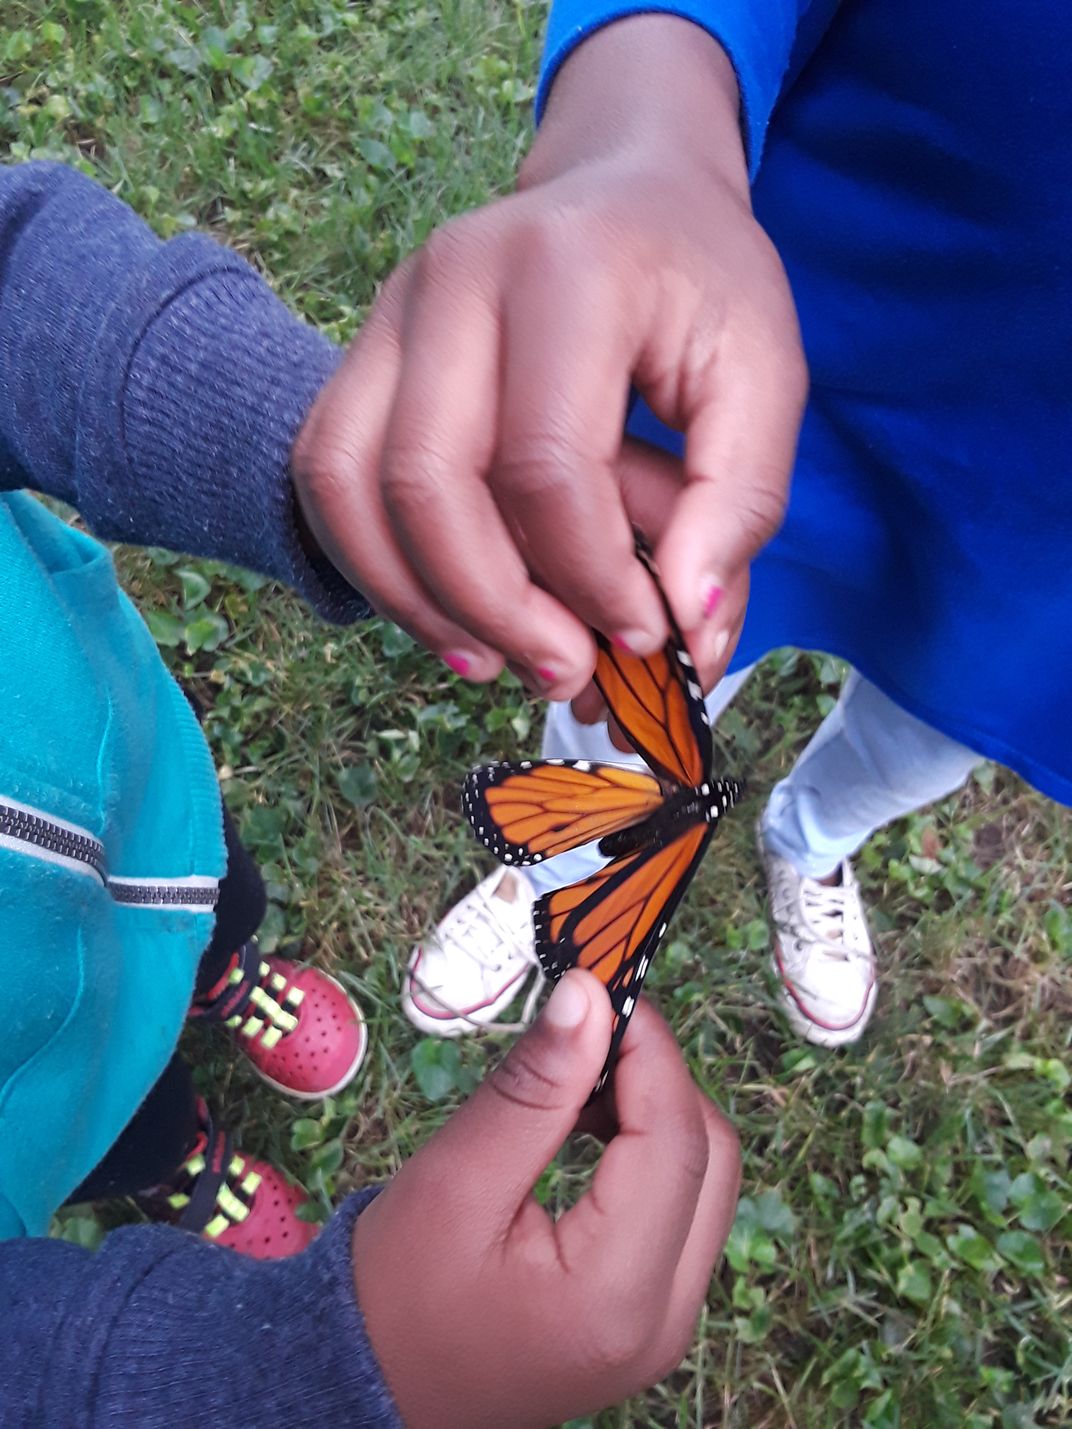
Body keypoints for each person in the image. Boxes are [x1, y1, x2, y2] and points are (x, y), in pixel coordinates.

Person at [0, 160, 740, 1424]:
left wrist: (323, 443)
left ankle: (225, 971)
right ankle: (178, 1158)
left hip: (130, 787)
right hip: (29, 1097)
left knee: (214, 889)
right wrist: (284, 1379)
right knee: (108, 1117)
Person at [271, 1, 1072, 1049]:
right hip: (787, 332)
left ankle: (811, 840)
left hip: (1044, 519)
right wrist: (647, 127)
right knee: (634, 656)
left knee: (930, 734)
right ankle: (563, 857)